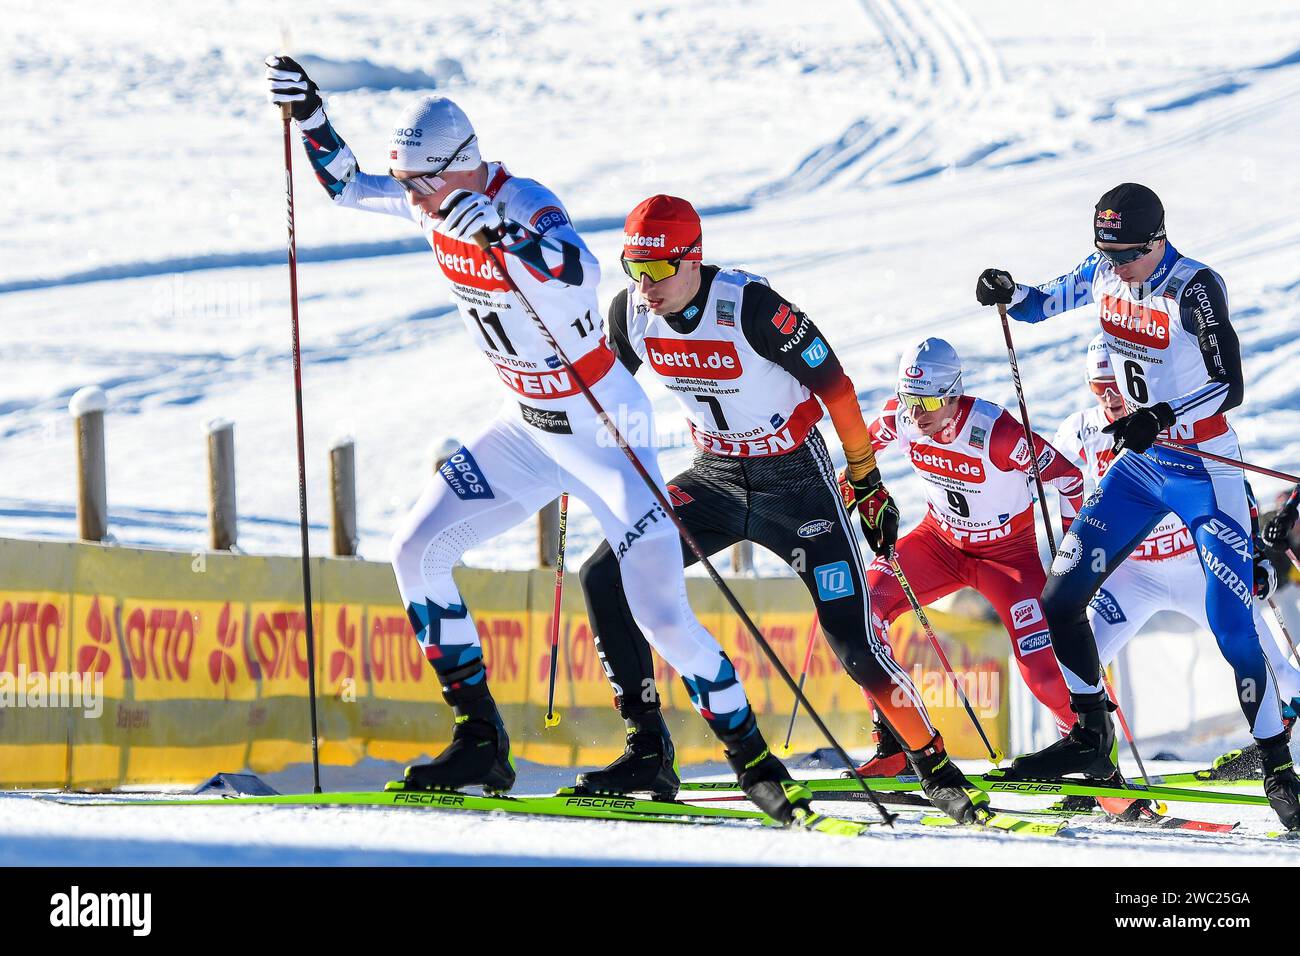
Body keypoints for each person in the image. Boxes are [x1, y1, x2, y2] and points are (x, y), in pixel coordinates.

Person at [263, 58, 832, 829]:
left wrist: (505, 235)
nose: (412, 200)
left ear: (460, 167)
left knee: (660, 612)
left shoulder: (519, 201)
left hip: (603, 424)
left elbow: (583, 272)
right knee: (415, 548)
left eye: (421, 184)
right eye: (407, 188)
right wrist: (312, 119)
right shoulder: (431, 204)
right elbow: (345, 184)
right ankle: (480, 741)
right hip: (528, 425)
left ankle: (750, 758)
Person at [572, 196, 985, 823]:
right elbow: (610, 393)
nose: (645, 285)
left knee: (851, 637)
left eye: (657, 270)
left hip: (796, 484)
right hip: (712, 481)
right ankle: (648, 749)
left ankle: (932, 764)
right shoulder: (631, 312)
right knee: (604, 573)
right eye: (634, 268)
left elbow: (838, 388)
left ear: (693, 260)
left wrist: (867, 479)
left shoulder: (754, 308)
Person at [975, 182, 1299, 830]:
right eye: (1108, 252)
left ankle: (1276, 766)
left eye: (1127, 254)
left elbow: (1228, 381)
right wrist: (1008, 290)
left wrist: (1162, 414)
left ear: (1157, 241)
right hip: (1143, 464)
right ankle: (1092, 737)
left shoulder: (1193, 287)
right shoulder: (1103, 271)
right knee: (1061, 599)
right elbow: (1040, 306)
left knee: (1233, 627)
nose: (1117, 265)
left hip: (1202, 465)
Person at [1054, 335, 1299, 784]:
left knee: (1279, 670)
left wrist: (1255, 558)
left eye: (1116, 384)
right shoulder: (1080, 429)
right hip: (1132, 576)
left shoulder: (1171, 423)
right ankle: (1096, 777)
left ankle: (1274, 754)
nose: (1110, 396)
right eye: (1098, 386)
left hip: (1192, 567)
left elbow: (1231, 488)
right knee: (1069, 670)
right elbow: (1046, 471)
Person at [848, 338, 1085, 777]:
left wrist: (1072, 558)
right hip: (938, 544)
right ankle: (898, 744)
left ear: (955, 394)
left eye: (930, 401)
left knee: (1044, 675)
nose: (917, 413)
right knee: (862, 613)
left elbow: (1069, 479)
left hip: (1006, 557)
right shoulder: (899, 418)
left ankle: (1096, 762)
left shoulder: (998, 434)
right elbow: (857, 456)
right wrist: (846, 497)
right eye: (908, 398)